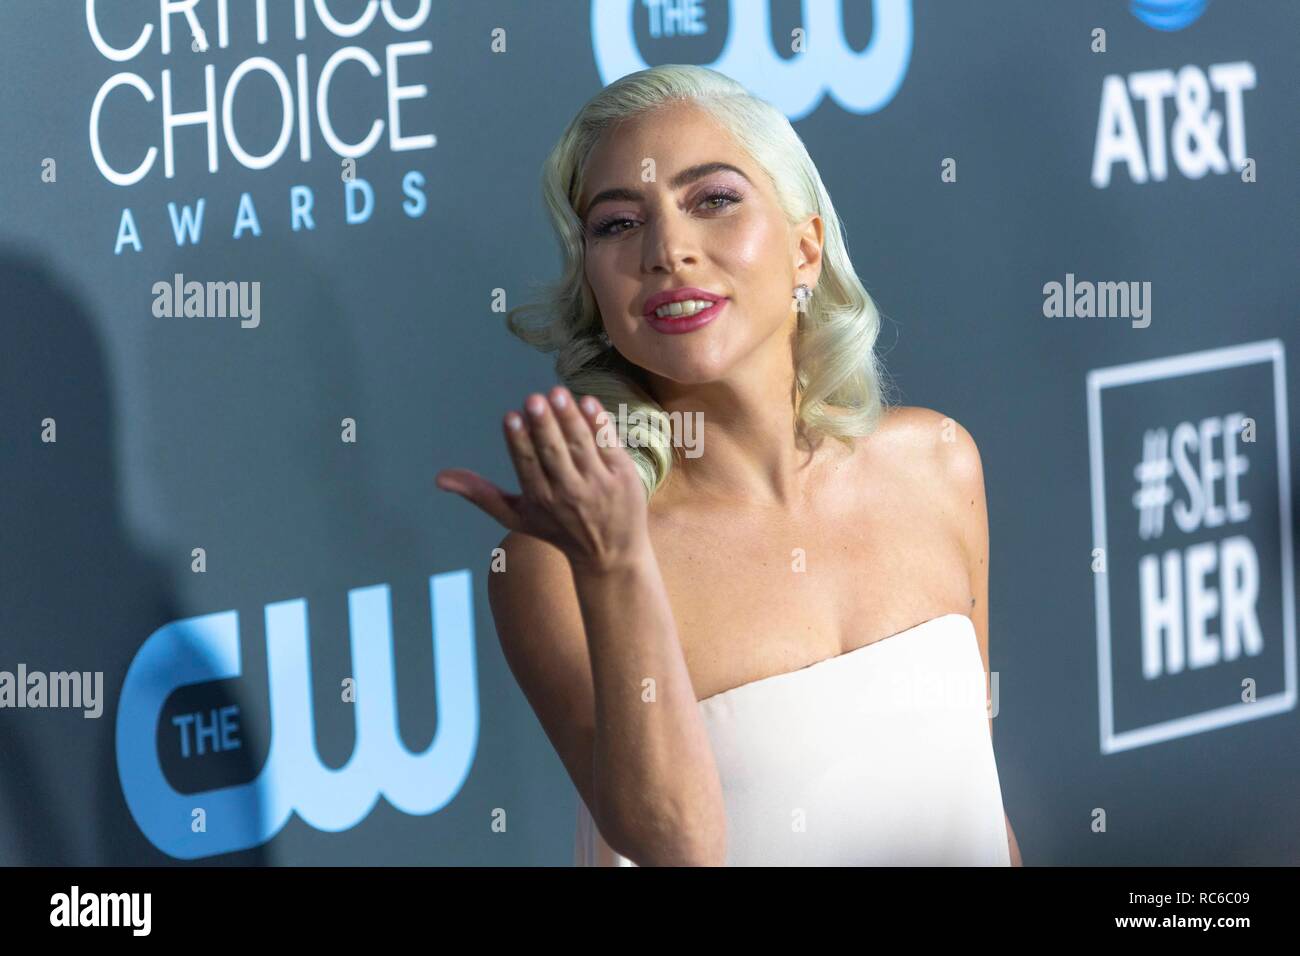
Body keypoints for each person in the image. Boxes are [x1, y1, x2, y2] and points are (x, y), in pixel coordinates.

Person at [436, 64, 1022, 867]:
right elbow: (674, 846)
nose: (667, 250)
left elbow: (980, 813)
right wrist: (615, 565)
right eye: (616, 225)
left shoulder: (937, 466)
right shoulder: (557, 566)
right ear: (595, 293)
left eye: (712, 200)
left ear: (806, 247)